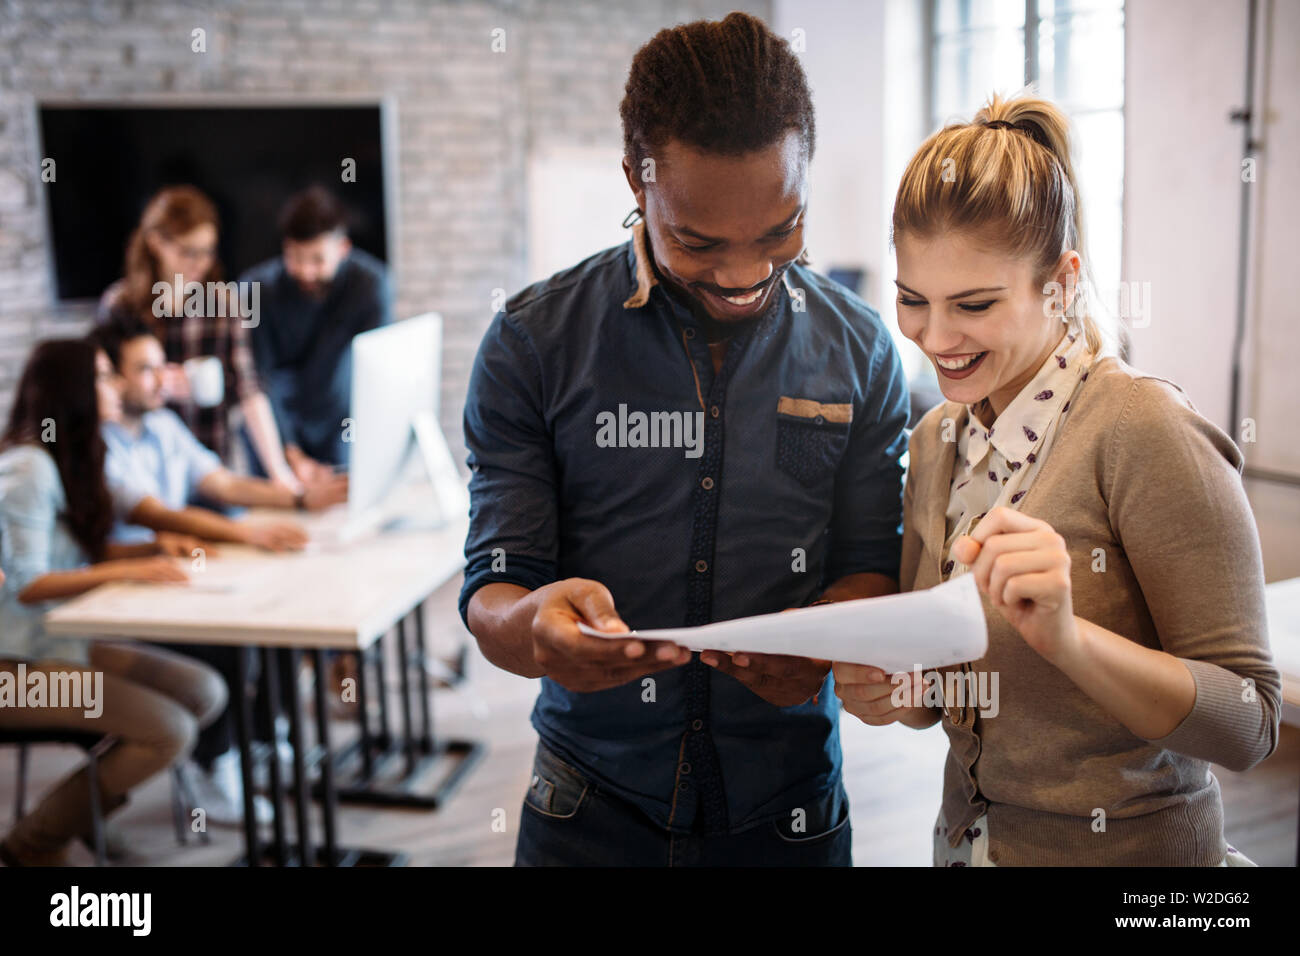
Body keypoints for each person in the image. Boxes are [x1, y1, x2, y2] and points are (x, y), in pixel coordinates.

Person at [461, 12, 910, 866]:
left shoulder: (860, 349)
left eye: (781, 233)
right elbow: (494, 588)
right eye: (697, 242)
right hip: (588, 807)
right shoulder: (532, 345)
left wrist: (829, 636)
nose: (743, 276)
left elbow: (869, 560)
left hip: (792, 813)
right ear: (637, 178)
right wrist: (532, 630)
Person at [832, 92, 1281, 866]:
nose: (935, 339)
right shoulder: (939, 438)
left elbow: (1249, 725)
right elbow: (945, 692)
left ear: (1061, 283)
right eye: (912, 301)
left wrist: (1070, 641)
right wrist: (901, 695)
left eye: (973, 304)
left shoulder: (1144, 430)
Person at [87, 314, 346, 823]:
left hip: (170, 577)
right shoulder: (97, 444)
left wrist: (296, 497)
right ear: (112, 378)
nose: (162, 379)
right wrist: (248, 532)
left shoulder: (162, 424)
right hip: (118, 595)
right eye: (145, 370)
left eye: (162, 366)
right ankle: (215, 763)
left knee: (282, 616)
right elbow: (155, 513)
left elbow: (223, 483)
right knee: (228, 642)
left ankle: (259, 740)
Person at [0, 339, 225, 866]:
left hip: (55, 645)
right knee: (169, 730)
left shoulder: (69, 454)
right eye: (102, 377)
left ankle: (72, 816)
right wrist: (129, 569)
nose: (115, 386)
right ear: (72, 392)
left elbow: (69, 552)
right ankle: (35, 840)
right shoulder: (29, 467)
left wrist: (146, 547)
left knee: (202, 690)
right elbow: (27, 583)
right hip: (15, 667)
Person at [97, 185, 303, 494]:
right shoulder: (121, 304)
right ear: (156, 242)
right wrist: (154, 382)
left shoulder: (224, 303)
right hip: (145, 472)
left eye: (207, 251)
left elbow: (248, 389)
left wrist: (279, 473)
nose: (200, 263)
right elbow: (103, 390)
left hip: (214, 466)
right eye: (188, 251)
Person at [241, 185, 391, 476]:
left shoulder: (371, 285)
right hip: (273, 430)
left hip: (341, 425)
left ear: (343, 249)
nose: (306, 272)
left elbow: (376, 372)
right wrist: (291, 456)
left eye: (318, 260)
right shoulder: (255, 290)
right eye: (296, 258)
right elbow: (259, 379)